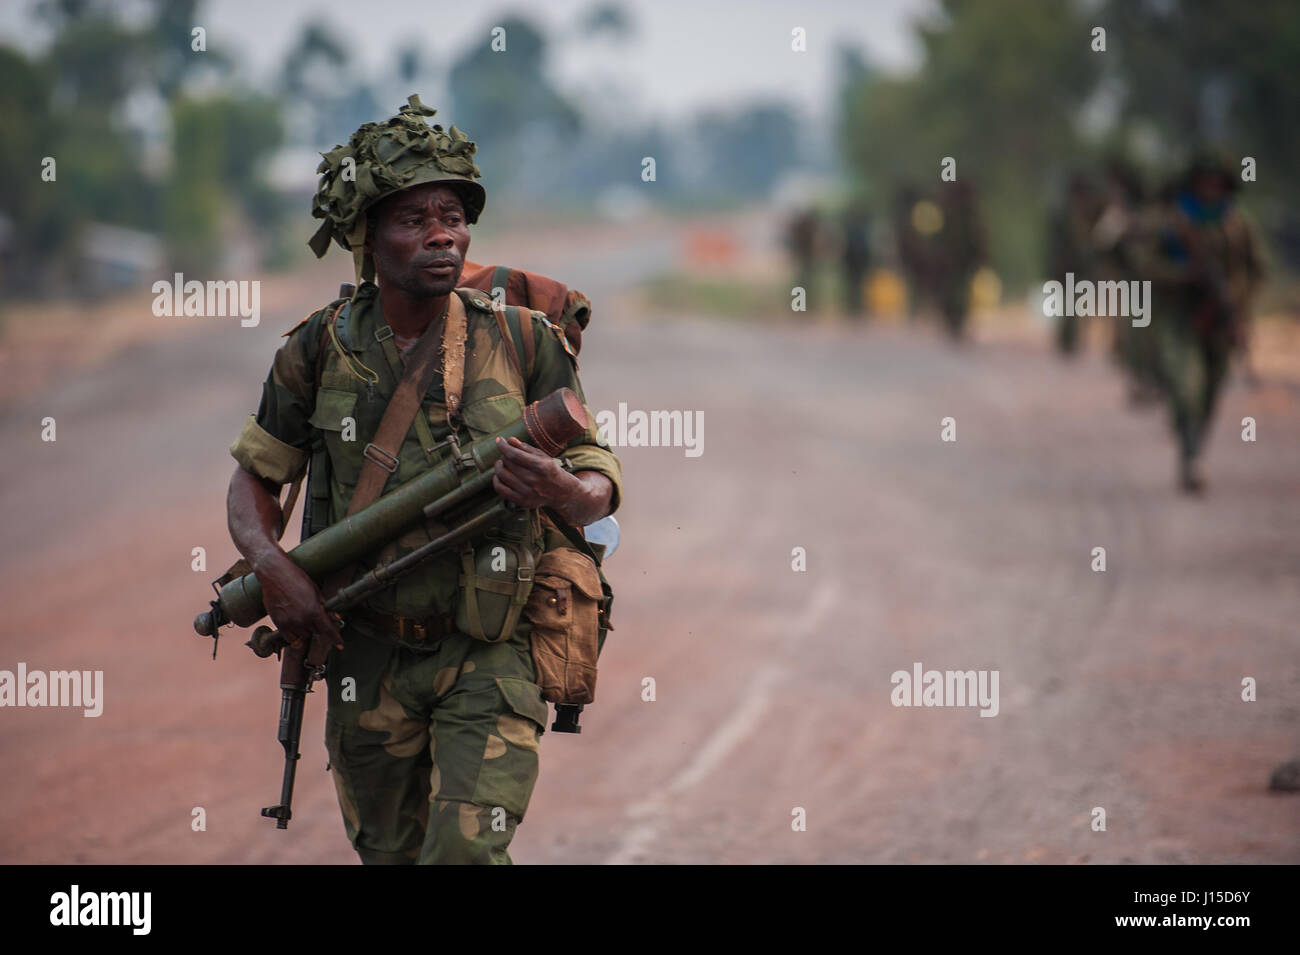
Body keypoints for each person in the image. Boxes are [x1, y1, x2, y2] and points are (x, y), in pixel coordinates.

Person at [223, 96, 622, 863]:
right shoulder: (317, 350)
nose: (442, 233)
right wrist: (272, 569)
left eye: (453, 215)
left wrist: (563, 492)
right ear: (368, 236)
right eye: (414, 218)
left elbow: (599, 481)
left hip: (491, 649)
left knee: (466, 854)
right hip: (363, 655)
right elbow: (252, 484)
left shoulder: (521, 338)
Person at [1144, 151, 1263, 493]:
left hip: (1221, 322)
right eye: (1204, 182)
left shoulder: (1237, 224)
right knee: (1185, 385)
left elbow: (1256, 271)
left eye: (1216, 183)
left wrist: (1236, 300)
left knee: (1211, 388)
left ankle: (1194, 447)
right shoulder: (1172, 222)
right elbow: (1146, 265)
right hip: (1180, 318)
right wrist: (1183, 275)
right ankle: (1190, 451)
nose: (1210, 189)